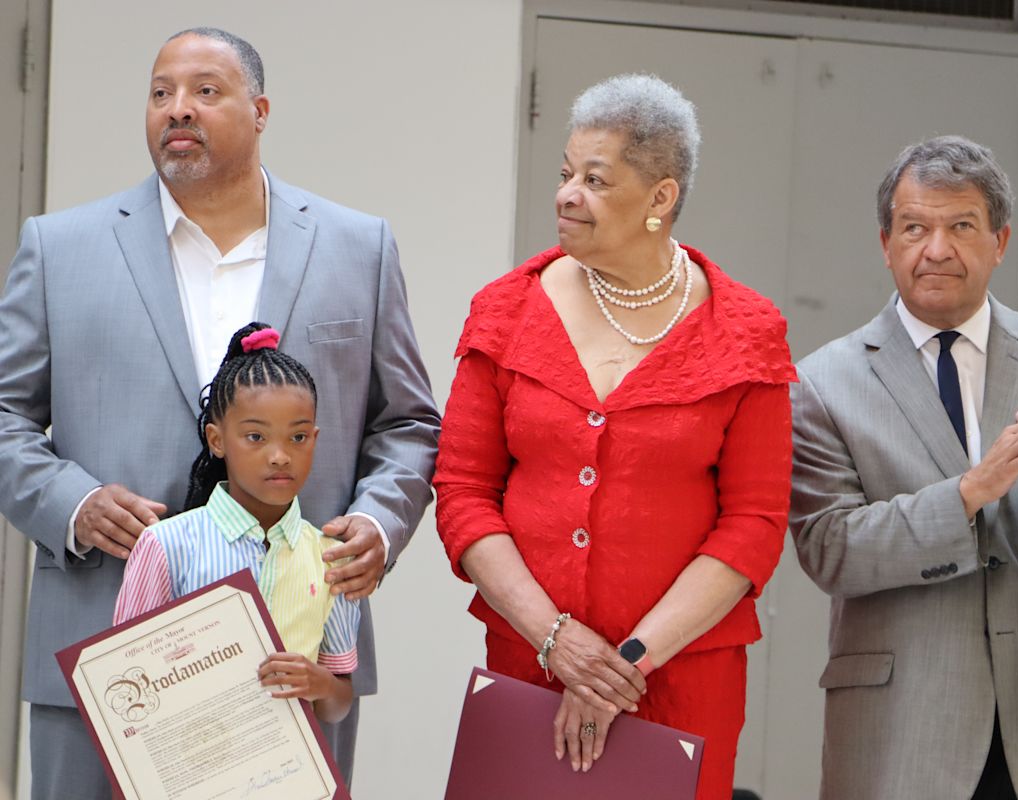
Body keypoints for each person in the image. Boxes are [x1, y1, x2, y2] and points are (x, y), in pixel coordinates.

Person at [0, 28, 439, 796]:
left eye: (206, 91)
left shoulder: (357, 246)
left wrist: (377, 525)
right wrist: (70, 505)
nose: (179, 109)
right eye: (161, 92)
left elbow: (407, 424)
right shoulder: (60, 247)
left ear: (260, 109)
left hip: (294, 662)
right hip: (106, 654)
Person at [433, 73, 794, 800]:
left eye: (596, 181)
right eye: (566, 174)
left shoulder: (747, 333)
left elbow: (753, 524)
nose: (568, 194)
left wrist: (623, 664)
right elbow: (463, 492)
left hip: (682, 680)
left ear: (661, 198)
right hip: (528, 667)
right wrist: (555, 641)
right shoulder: (505, 310)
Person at [790, 135, 1018, 799]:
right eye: (915, 228)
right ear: (886, 243)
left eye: (961, 226)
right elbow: (829, 550)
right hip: (903, 734)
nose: (937, 249)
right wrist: (968, 492)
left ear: (1000, 241)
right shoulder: (822, 382)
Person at [114, 323, 360, 723]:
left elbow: (338, 702)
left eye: (297, 438)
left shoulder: (333, 559)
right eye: (256, 437)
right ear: (217, 440)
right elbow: (121, 687)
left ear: (315, 439)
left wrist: (322, 685)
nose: (280, 456)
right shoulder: (166, 546)